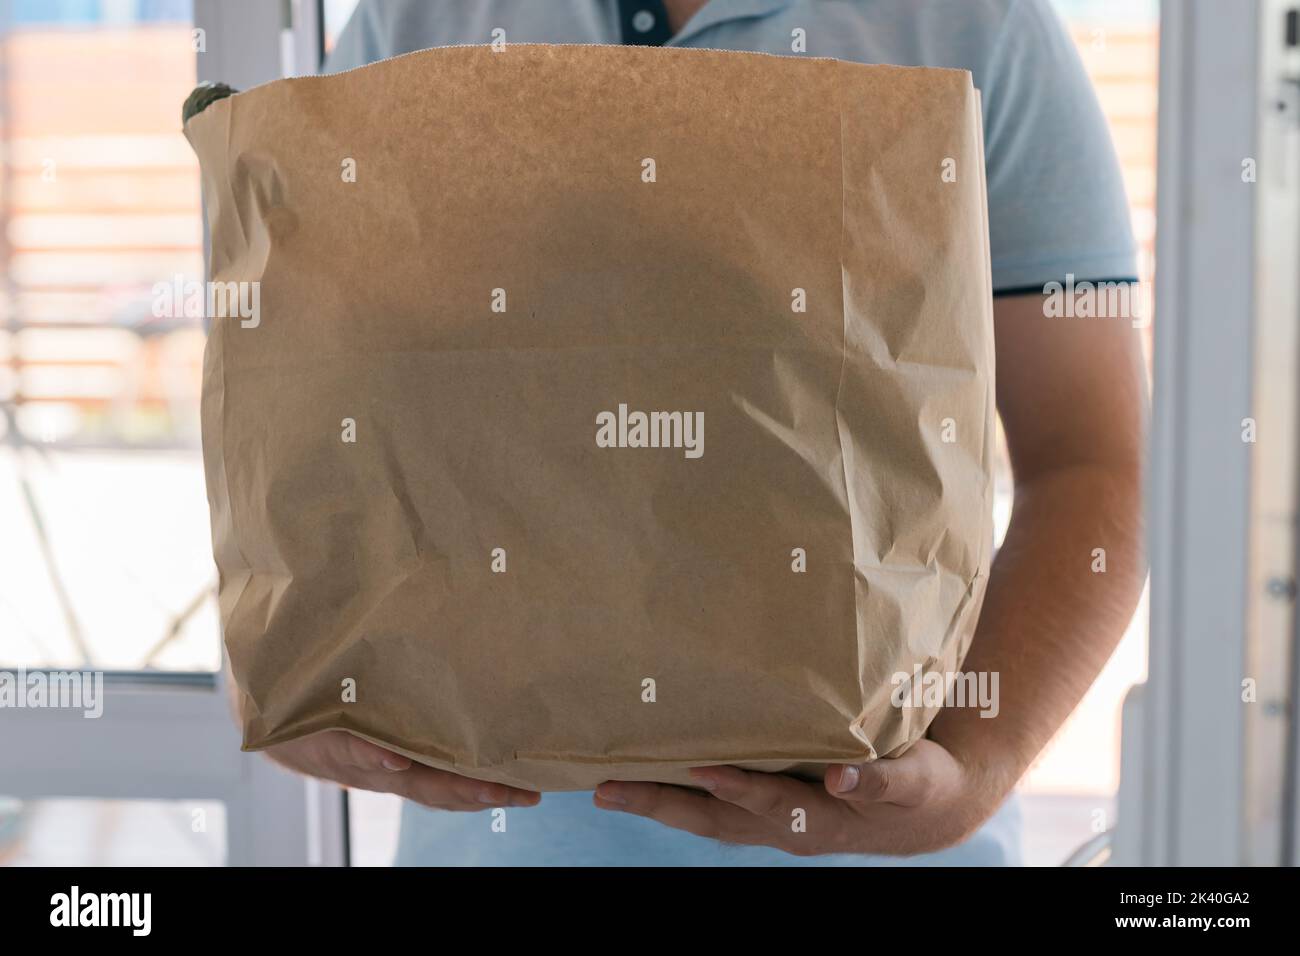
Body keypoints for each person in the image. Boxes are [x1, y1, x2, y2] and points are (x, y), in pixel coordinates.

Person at [246, 0, 1146, 866]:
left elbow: (1094, 464)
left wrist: (972, 777)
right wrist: (310, 700)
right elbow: (323, 411)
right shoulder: (414, 19)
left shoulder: (977, 24)